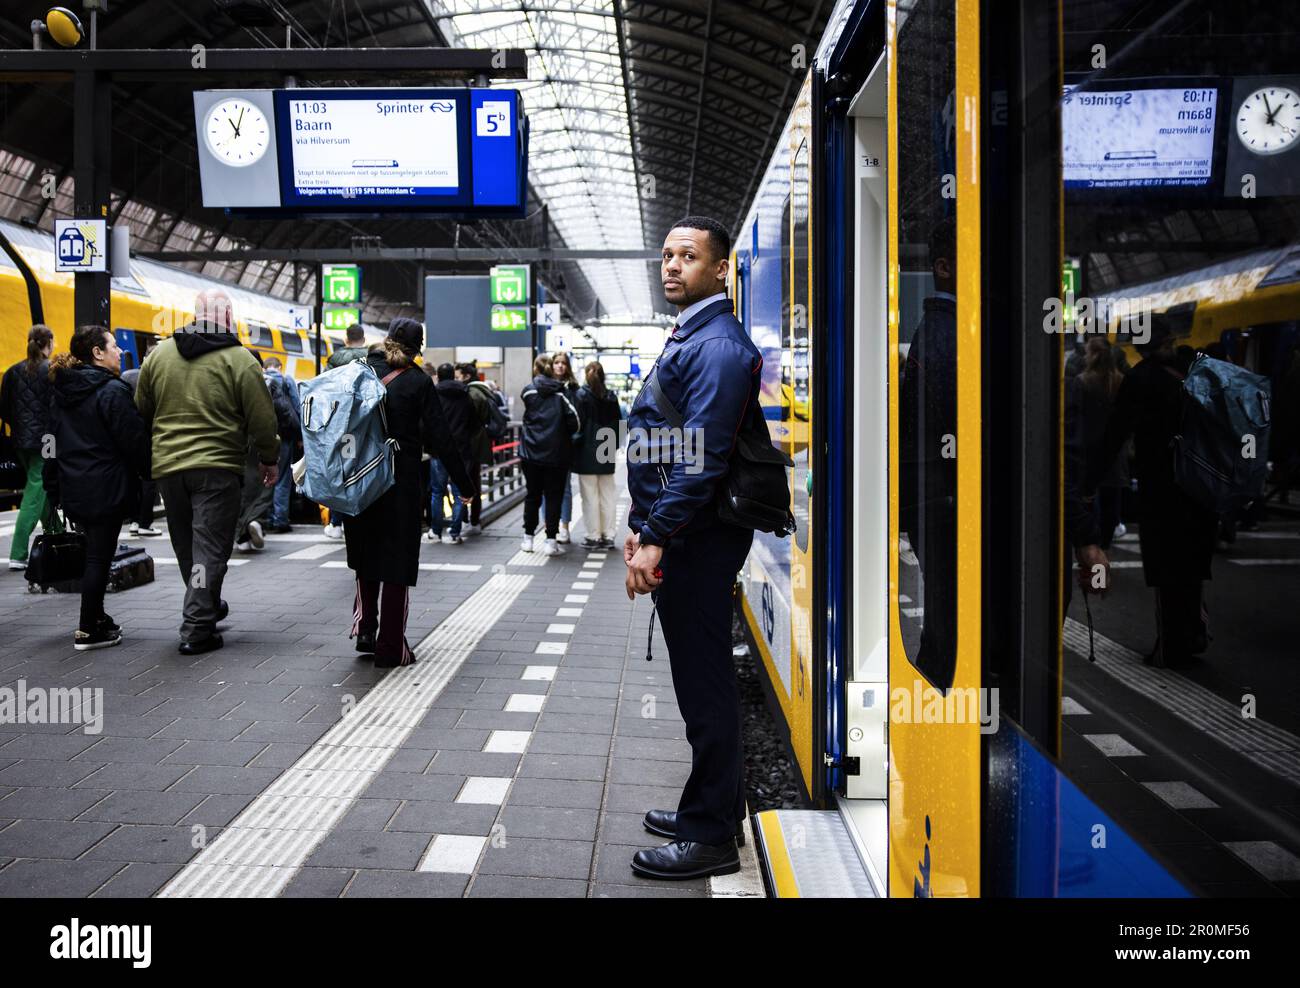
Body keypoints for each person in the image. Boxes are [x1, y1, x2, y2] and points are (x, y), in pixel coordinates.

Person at [623, 215, 761, 880]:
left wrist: (655, 536)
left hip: (698, 538)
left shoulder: (718, 346)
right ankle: (712, 806)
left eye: (689, 256)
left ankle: (710, 833)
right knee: (697, 676)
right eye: (668, 255)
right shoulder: (696, 335)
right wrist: (639, 517)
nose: (673, 266)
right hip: (686, 531)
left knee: (704, 682)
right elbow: (662, 439)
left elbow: (699, 457)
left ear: (719, 270)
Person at [135, 289, 280, 654]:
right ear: (228, 318)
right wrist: (269, 457)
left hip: (168, 468)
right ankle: (197, 627)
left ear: (195, 313)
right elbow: (262, 418)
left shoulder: (159, 356)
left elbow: (142, 407)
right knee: (209, 548)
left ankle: (207, 604)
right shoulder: (240, 360)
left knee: (188, 546)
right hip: (216, 469)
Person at [344, 320, 473, 667]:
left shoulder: (361, 370)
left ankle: (366, 628)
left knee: (366, 553)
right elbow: (441, 437)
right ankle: (390, 646)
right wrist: (464, 485)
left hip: (360, 478)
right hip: (399, 482)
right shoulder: (417, 381)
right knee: (397, 562)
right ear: (418, 347)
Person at [1091, 313, 1218, 667]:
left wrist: (1087, 484)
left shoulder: (1143, 379)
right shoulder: (1194, 371)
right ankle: (1194, 630)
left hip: (1163, 491)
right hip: (1201, 488)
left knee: (1166, 569)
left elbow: (1116, 435)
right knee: (1192, 565)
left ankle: (1172, 645)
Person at [43, 326, 150, 650]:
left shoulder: (61, 392)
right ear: (97, 353)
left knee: (95, 554)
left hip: (74, 485)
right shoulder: (112, 392)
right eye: (114, 346)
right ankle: (88, 628)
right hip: (106, 487)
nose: (120, 352)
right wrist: (149, 472)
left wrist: (52, 486)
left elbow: (49, 443)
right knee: (98, 559)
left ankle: (98, 617)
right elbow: (133, 440)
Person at [899, 217, 958, 691]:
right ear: (944, 266)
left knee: (944, 600)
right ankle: (936, 692)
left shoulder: (935, 331)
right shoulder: (946, 336)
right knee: (946, 603)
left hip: (932, 492)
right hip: (942, 494)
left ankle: (934, 686)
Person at [1, 324, 62, 571]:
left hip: (20, 441)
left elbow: (3, 408)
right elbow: (58, 408)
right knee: (36, 488)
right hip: (45, 441)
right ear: (48, 343)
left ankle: (56, 535)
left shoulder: (12, 372)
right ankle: (17, 552)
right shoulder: (51, 371)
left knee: (40, 487)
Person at [520, 353, 579, 556]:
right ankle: (550, 542)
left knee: (532, 496)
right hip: (556, 455)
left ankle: (528, 539)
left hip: (530, 453)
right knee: (554, 497)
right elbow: (575, 422)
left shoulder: (528, 392)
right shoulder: (561, 394)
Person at [1077, 337, 1129, 548]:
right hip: (1115, 448)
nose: (1085, 357)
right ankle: (1106, 539)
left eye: (1088, 353)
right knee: (1111, 494)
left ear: (1095, 355)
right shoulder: (1121, 380)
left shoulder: (1083, 382)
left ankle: (1092, 539)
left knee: (1089, 494)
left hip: (1089, 446)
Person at [573, 360, 622, 549]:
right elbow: (619, 424)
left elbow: (577, 425)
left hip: (586, 452)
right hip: (607, 450)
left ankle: (593, 535)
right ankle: (608, 535)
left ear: (587, 374)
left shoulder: (581, 396)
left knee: (589, 496)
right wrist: (613, 446)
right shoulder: (611, 397)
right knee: (608, 495)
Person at [428, 362, 475, 545]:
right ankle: (455, 533)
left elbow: (427, 421)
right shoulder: (464, 394)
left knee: (437, 492)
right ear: (453, 376)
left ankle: (436, 531)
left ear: (438, 376)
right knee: (458, 492)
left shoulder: (433, 394)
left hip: (439, 450)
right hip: (460, 449)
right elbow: (472, 420)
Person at [121, 348, 163, 537]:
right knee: (149, 480)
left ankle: (134, 520)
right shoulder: (157, 375)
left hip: (128, 432)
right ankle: (145, 522)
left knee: (133, 478)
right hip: (150, 433)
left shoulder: (127, 375)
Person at [541, 351, 580, 543]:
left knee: (564, 488)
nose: (560, 366)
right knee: (545, 488)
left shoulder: (573, 389)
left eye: (563, 363)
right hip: (545, 444)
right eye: (556, 362)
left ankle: (564, 526)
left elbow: (578, 418)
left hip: (565, 445)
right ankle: (548, 526)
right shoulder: (544, 386)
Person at [262, 356, 301, 534]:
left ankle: (267, 517)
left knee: (265, 477)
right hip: (284, 436)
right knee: (283, 478)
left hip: (264, 435)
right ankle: (280, 519)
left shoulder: (260, 380)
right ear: (280, 366)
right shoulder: (286, 380)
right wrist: (300, 436)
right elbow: (297, 407)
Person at [458, 361, 494, 536]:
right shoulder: (481, 392)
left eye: (457, 377)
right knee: (475, 482)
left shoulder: (469, 394)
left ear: (465, 376)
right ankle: (474, 520)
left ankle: (465, 518)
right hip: (478, 444)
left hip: (467, 445)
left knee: (463, 481)